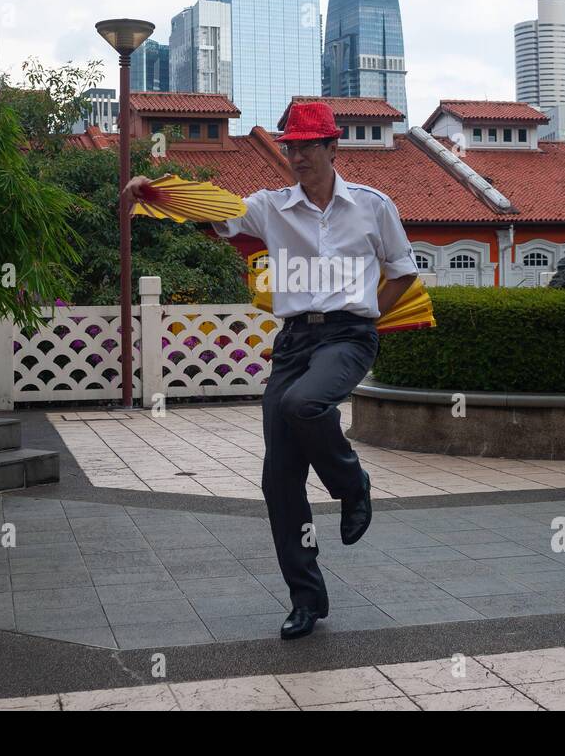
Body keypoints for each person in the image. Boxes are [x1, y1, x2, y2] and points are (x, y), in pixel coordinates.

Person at [122, 102, 418, 639]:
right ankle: (307, 599)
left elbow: (401, 272)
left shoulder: (374, 207)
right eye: (291, 146)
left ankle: (352, 485)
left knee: (302, 404)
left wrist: (370, 313)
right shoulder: (270, 207)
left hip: (348, 335)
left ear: (334, 148)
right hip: (295, 340)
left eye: (308, 145)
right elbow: (211, 212)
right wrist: (155, 190)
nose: (297, 154)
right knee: (279, 480)